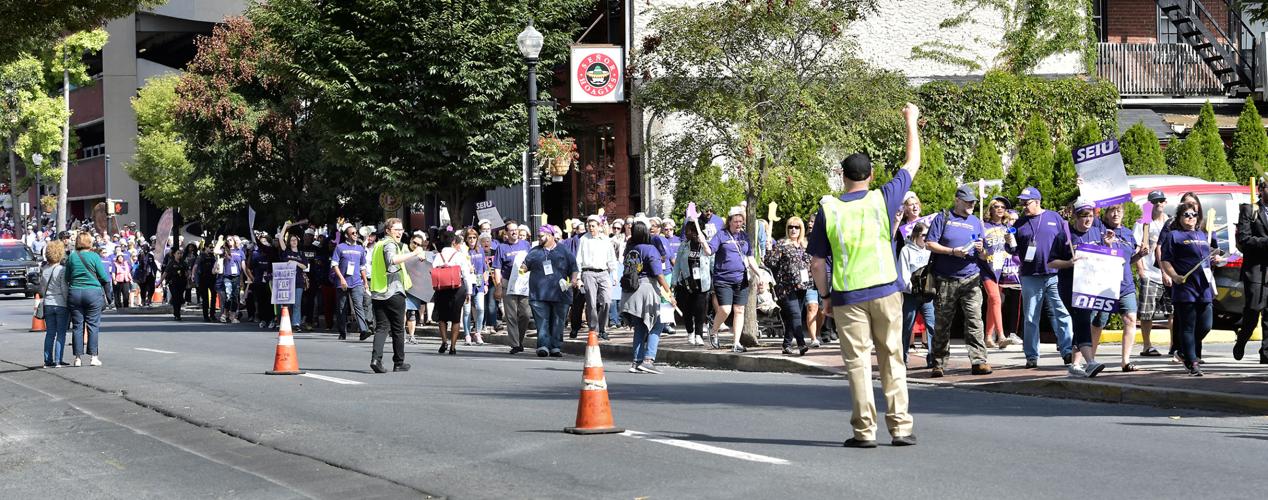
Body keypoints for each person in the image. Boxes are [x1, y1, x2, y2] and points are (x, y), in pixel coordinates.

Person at [808, 102, 920, 449]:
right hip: (886, 290)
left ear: (842, 176)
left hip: (848, 297)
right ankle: (900, 428)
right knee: (892, 358)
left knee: (857, 364)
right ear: (871, 176)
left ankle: (864, 431)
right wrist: (910, 121)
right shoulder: (883, 198)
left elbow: (816, 262)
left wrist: (825, 298)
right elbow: (912, 162)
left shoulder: (829, 208)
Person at [924, 185, 991, 376]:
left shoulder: (977, 222)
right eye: (968, 201)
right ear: (957, 200)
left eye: (973, 202)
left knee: (974, 320)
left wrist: (981, 250)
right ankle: (938, 363)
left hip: (971, 278)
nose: (971, 205)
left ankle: (979, 361)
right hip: (945, 279)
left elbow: (986, 255)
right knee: (943, 323)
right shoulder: (943, 218)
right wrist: (952, 251)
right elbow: (929, 244)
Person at [1011, 187, 1075, 368]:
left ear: (1037, 202)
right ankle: (1031, 356)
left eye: (1027, 202)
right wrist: (1009, 243)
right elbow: (1012, 250)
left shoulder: (1054, 217)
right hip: (1031, 276)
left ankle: (1067, 351)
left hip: (1055, 275)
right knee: (1031, 317)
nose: (1023, 205)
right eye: (1022, 202)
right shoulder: (1020, 223)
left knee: (1062, 313)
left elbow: (1067, 242)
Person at [1048, 200, 1111, 378]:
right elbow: (1052, 262)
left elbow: (1105, 258)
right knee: (1082, 319)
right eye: (1084, 216)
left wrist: (1107, 245)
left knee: (1081, 321)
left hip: (1091, 285)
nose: (1088, 220)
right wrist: (1069, 263)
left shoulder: (1097, 233)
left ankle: (1075, 364)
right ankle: (1090, 362)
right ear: (1075, 216)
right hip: (1070, 287)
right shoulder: (1065, 236)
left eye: (1090, 216)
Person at [1161, 201, 1221, 376]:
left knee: (1206, 325)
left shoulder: (1203, 235)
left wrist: (1215, 259)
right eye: (1186, 214)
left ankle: (1184, 351)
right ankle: (1192, 362)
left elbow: (1209, 256)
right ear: (1179, 218)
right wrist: (1174, 276)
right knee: (1187, 326)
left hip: (1204, 286)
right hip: (1185, 287)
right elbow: (1165, 260)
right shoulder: (1174, 236)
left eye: (1194, 214)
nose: (1191, 218)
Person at [1090, 203, 1142, 371]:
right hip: (1105, 285)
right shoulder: (1099, 229)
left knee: (1130, 319)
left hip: (1125, 284)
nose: (1115, 214)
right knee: (1099, 322)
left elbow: (1128, 259)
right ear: (1106, 214)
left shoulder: (1128, 234)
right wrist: (1107, 246)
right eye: (1112, 211)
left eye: (1118, 211)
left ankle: (1125, 361)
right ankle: (1090, 360)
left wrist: (1140, 255)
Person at [702, 207, 761, 352]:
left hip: (741, 279)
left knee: (739, 310)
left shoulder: (744, 237)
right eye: (735, 221)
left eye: (741, 221)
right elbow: (709, 251)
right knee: (726, 309)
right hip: (723, 278)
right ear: (729, 221)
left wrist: (758, 273)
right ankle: (714, 331)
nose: (738, 224)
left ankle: (736, 343)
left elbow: (750, 257)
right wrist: (703, 243)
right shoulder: (721, 235)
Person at [368, 218, 422, 373]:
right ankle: (399, 362)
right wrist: (414, 253)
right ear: (388, 231)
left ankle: (375, 359)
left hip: (378, 292)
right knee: (398, 329)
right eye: (396, 229)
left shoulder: (379, 244)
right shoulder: (389, 244)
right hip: (393, 291)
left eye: (401, 229)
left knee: (382, 328)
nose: (400, 232)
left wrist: (416, 254)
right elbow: (392, 260)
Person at [622, 219, 674, 373]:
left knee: (639, 326)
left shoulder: (630, 249)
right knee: (657, 323)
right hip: (647, 288)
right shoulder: (651, 249)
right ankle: (648, 359)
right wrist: (669, 293)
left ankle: (636, 361)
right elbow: (659, 274)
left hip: (630, 290)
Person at [524, 225, 580, 357]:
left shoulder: (564, 250)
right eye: (538, 236)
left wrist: (573, 280)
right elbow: (525, 265)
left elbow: (574, 267)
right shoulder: (534, 251)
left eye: (541, 236)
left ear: (550, 236)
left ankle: (555, 347)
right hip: (538, 294)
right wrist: (523, 268)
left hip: (560, 294)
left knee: (558, 322)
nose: (538, 239)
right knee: (542, 322)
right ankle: (543, 346)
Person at [764, 216, 814, 356]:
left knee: (794, 316)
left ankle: (786, 345)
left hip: (802, 285)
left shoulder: (805, 244)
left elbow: (811, 261)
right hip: (786, 286)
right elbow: (770, 263)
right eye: (790, 227)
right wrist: (769, 249)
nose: (793, 230)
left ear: (801, 229)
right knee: (796, 314)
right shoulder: (781, 244)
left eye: (796, 227)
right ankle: (801, 344)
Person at [1234, 174, 1268, 364]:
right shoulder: (1250, 210)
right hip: (1255, 269)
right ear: (1262, 190)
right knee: (1254, 309)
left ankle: (1266, 354)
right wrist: (1266, 243)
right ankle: (1242, 338)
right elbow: (1245, 240)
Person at [1133, 190, 1171, 358]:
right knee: (1147, 312)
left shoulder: (1171, 222)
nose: (1158, 203)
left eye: (1161, 200)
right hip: (1150, 272)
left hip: (1169, 273)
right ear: (1149, 204)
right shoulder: (1143, 222)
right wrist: (1141, 271)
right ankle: (1147, 345)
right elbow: (1136, 247)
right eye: (1155, 201)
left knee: (1172, 311)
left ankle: (1174, 344)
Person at [65, 232, 110, 367]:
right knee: (93, 325)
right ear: (89, 242)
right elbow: (103, 276)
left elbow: (67, 277)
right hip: (92, 292)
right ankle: (93, 357)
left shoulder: (72, 257)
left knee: (78, 325)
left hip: (75, 292)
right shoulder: (94, 256)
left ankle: (78, 358)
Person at [981, 196, 1020, 349]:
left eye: (1003, 207)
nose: (999, 209)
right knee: (996, 299)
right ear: (990, 209)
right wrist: (980, 252)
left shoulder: (1006, 228)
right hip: (986, 269)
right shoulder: (982, 226)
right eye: (996, 206)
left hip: (1001, 270)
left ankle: (988, 337)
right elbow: (977, 246)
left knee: (993, 302)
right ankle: (1002, 336)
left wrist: (1011, 241)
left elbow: (1013, 249)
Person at [897, 221, 934, 365]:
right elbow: (903, 272)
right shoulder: (906, 250)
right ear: (916, 236)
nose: (926, 238)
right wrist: (910, 287)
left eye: (928, 235)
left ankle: (932, 357)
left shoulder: (930, 250)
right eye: (923, 235)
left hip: (927, 294)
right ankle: (903, 357)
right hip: (911, 294)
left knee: (931, 325)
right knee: (907, 326)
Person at [575, 215, 618, 340]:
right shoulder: (584, 239)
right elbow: (579, 260)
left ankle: (603, 328)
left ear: (599, 226)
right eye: (589, 226)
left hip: (603, 272)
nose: (590, 228)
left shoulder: (606, 240)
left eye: (593, 226)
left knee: (606, 301)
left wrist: (614, 275)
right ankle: (593, 329)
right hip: (588, 272)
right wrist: (578, 277)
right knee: (591, 303)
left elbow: (611, 259)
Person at [672, 219, 713, 346]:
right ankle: (690, 332)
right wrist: (674, 282)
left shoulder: (706, 245)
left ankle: (699, 334)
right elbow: (678, 264)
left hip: (702, 281)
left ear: (696, 231)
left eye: (689, 230)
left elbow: (712, 262)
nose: (686, 233)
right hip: (686, 281)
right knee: (687, 310)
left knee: (700, 310)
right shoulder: (684, 245)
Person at [494, 222, 534, 354]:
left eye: (516, 230)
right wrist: (498, 286)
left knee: (525, 314)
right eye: (511, 231)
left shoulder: (526, 245)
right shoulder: (502, 247)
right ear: (506, 233)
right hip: (508, 283)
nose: (514, 232)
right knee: (511, 315)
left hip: (523, 283)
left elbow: (531, 262)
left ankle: (520, 340)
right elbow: (497, 268)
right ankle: (515, 344)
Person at [433, 230, 473, 355]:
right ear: (453, 242)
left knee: (442, 317)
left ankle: (444, 341)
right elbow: (466, 275)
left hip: (441, 289)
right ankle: (453, 346)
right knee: (456, 318)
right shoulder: (459, 256)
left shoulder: (438, 256)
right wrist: (469, 292)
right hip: (457, 289)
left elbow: (433, 271)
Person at [332, 224, 372, 340]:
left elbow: (362, 267)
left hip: (356, 282)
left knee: (358, 305)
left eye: (356, 233)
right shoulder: (340, 247)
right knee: (341, 308)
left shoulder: (360, 249)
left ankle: (363, 330)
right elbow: (334, 265)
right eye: (353, 233)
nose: (355, 235)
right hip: (342, 283)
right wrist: (342, 279)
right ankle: (342, 331)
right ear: (346, 235)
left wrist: (365, 282)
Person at [40, 240, 70, 367]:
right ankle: (58, 359)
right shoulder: (62, 269)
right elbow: (64, 288)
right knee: (61, 333)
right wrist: (67, 301)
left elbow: (42, 289)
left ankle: (48, 360)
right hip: (60, 303)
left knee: (50, 333)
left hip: (47, 303)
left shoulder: (44, 269)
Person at [280, 234, 310, 332]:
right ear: (289, 242)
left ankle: (296, 323)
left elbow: (305, 266)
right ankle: (286, 323)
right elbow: (280, 238)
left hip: (298, 281)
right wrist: (285, 226)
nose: (294, 242)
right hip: (287, 281)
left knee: (297, 304)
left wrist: (296, 262)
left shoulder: (301, 253)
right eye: (292, 240)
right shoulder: (286, 251)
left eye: (295, 240)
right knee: (287, 303)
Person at [464, 231, 488, 346]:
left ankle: (477, 333)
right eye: (470, 238)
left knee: (480, 308)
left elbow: (485, 268)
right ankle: (467, 334)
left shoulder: (481, 250)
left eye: (474, 237)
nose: (472, 240)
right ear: (466, 239)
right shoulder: (463, 251)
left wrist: (486, 283)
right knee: (467, 311)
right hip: (467, 282)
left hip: (478, 281)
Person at [404, 233, 428, 344]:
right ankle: (402, 334)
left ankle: (411, 336)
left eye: (419, 244)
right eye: (414, 243)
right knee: (402, 311)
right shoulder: (404, 250)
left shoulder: (422, 254)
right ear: (410, 241)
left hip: (414, 286)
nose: (416, 245)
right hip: (403, 285)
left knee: (412, 312)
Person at [164, 248, 190, 321]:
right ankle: (177, 314)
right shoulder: (171, 263)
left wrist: (188, 276)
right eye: (178, 253)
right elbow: (165, 273)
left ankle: (177, 312)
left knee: (179, 298)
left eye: (180, 253)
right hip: (173, 283)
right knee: (175, 297)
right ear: (174, 254)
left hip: (182, 283)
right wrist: (159, 282)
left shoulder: (183, 263)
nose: (179, 255)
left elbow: (188, 272)